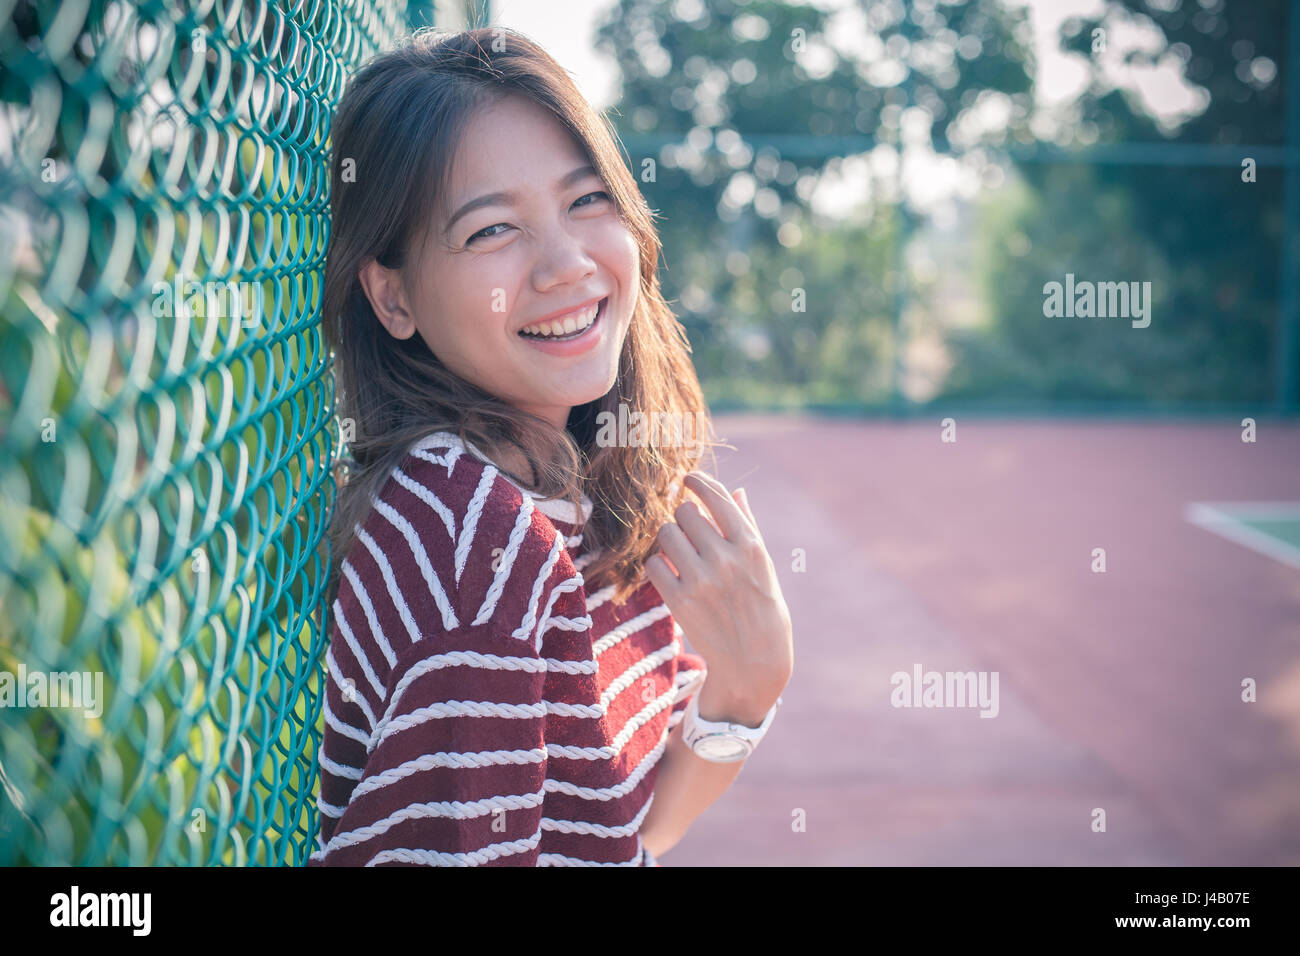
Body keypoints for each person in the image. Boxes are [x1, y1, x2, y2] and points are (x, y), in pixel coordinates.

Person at [309, 26, 793, 866]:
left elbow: (629, 831)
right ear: (392, 298)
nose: (566, 264)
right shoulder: (473, 550)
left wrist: (746, 692)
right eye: (492, 230)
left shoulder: (578, 482)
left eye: (587, 200)